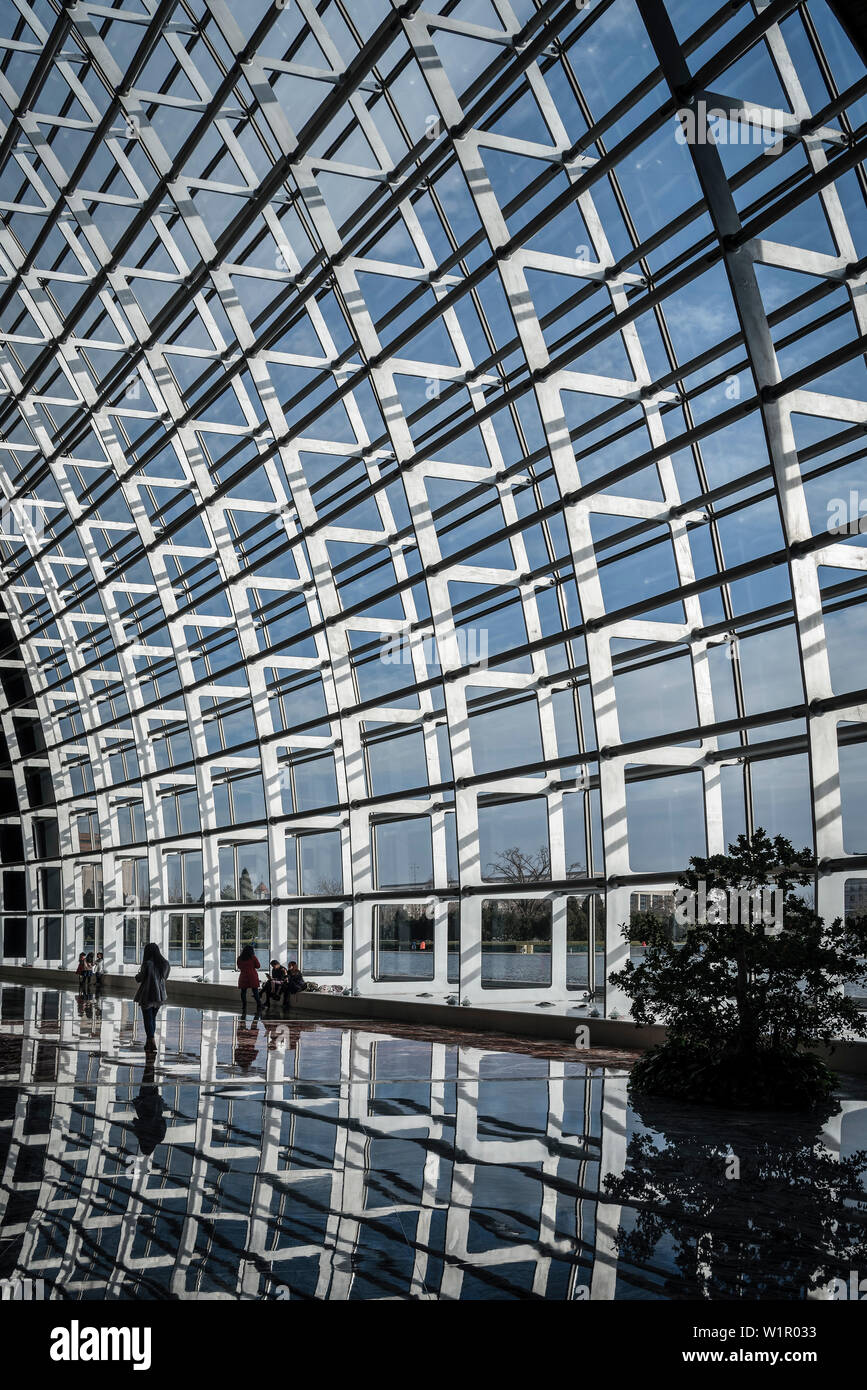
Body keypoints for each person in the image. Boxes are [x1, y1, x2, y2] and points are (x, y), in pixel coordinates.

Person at [134, 942, 171, 1052]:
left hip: (147, 994)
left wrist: (137, 975)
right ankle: (149, 1042)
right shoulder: (165, 964)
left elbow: (140, 978)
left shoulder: (147, 964)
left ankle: (151, 1041)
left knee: (147, 1019)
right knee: (152, 1018)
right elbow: (165, 978)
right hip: (160, 995)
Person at [237, 943, 262, 1015]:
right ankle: (259, 1004)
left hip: (243, 976)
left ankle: (244, 1006)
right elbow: (258, 966)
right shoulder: (253, 957)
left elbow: (239, 967)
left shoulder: (240, 958)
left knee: (243, 992)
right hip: (252, 976)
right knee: (255, 991)